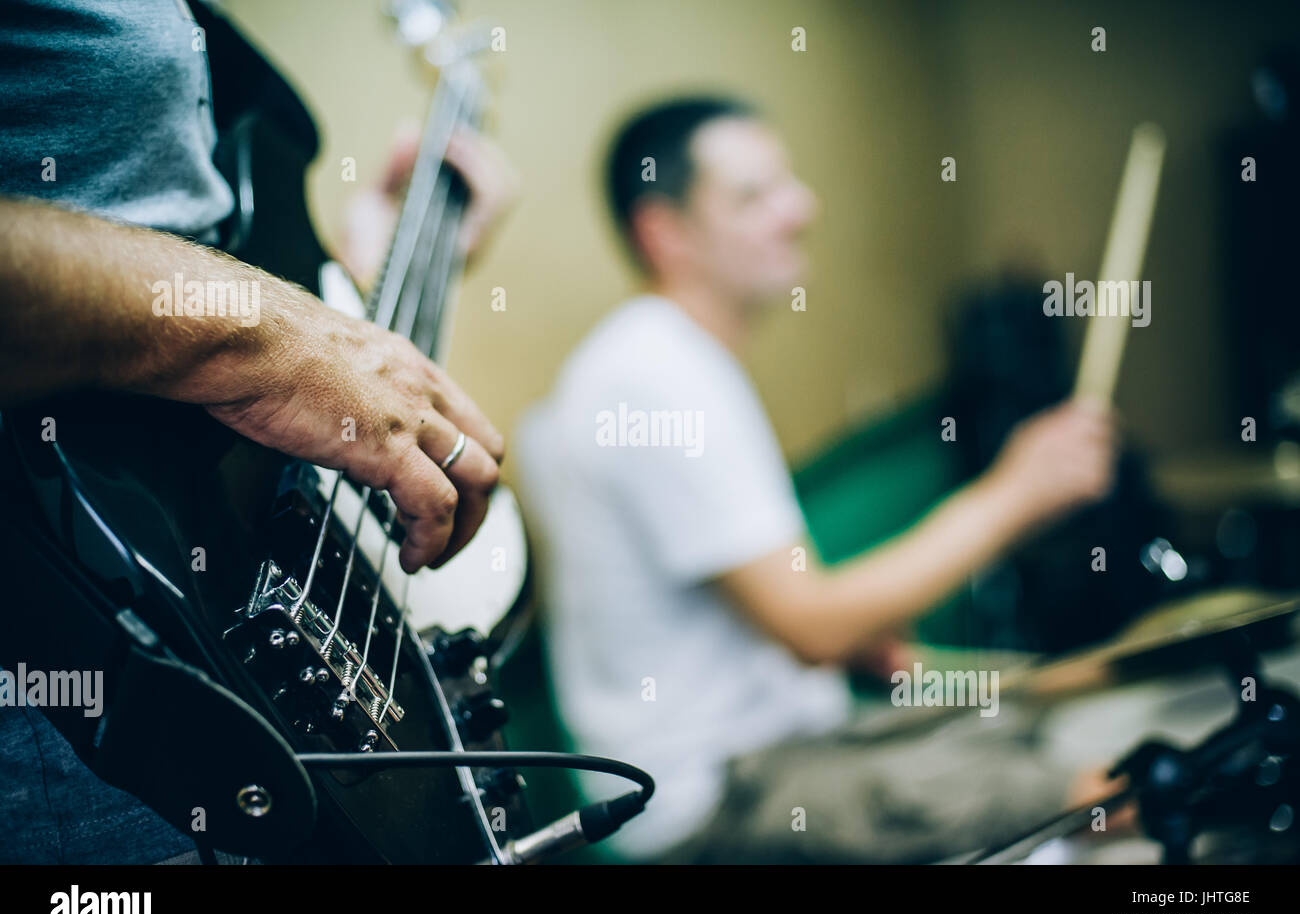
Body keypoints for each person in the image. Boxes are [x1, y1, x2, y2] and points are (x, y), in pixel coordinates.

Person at [515, 96, 1120, 863]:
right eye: (754, 194)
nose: (803, 206)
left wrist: (892, 656)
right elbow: (811, 626)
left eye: (788, 181)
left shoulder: (654, 361)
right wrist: (1015, 493)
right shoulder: (651, 379)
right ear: (664, 233)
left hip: (778, 744)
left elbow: (783, 617)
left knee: (1026, 726)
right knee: (1095, 796)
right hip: (716, 799)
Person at [0, 0, 516, 863]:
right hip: (84, 666)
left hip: (236, 573)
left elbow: (172, 221)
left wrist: (347, 282)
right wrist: (264, 333)